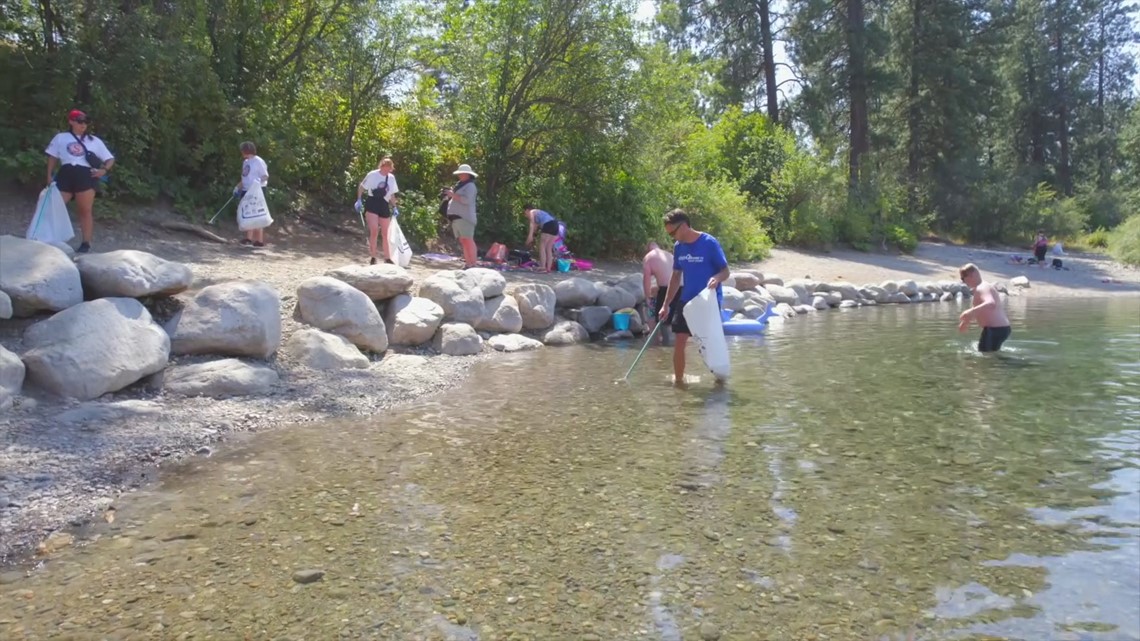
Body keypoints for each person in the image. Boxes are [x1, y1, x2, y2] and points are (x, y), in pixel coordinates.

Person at [656, 210, 730, 385]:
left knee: (710, 345)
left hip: (707, 303)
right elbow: (675, 277)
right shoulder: (678, 247)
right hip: (686, 301)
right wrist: (665, 305)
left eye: (673, 232)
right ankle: (679, 383)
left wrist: (717, 278)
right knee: (679, 340)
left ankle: (720, 381)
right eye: (669, 234)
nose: (672, 237)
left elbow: (725, 271)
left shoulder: (709, 243)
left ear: (684, 225)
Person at [44, 109, 115, 253]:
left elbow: (110, 158)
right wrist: (49, 175)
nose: (83, 125)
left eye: (86, 122)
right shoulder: (61, 137)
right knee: (53, 206)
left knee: (85, 210)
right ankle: (48, 237)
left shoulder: (94, 141)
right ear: (71, 122)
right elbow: (52, 156)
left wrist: (104, 170)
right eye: (80, 121)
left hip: (85, 174)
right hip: (66, 172)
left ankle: (86, 243)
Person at [957, 263, 1012, 352]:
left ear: (972, 275)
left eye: (963, 278)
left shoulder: (982, 287)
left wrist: (970, 312)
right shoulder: (982, 287)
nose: (963, 282)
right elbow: (980, 310)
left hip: (995, 329)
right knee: (987, 353)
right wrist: (965, 322)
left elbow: (990, 303)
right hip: (998, 329)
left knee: (986, 356)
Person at [355, 157, 399, 265]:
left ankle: (387, 258)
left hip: (384, 204)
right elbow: (362, 186)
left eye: (389, 167)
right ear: (382, 166)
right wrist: (359, 199)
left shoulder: (391, 178)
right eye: (385, 167)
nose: (387, 169)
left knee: (386, 233)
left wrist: (394, 207)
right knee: (374, 230)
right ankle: (373, 257)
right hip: (372, 203)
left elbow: (392, 194)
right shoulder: (372, 174)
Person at [233, 141, 270, 247]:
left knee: (256, 213)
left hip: (257, 190)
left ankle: (259, 240)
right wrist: (237, 187)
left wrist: (258, 180)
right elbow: (244, 178)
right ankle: (248, 238)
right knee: (248, 213)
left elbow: (265, 176)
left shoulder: (258, 161)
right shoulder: (246, 162)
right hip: (246, 190)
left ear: (246, 151)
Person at [445, 164, 478, 268]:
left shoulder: (470, 186)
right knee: (463, 240)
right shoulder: (460, 184)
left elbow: (467, 200)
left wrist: (453, 195)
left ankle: (473, 263)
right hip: (457, 217)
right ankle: (468, 263)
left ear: (468, 174)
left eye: (462, 173)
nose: (460, 175)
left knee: (468, 240)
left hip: (465, 217)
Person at [641, 240, 674, 345]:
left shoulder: (649, 257)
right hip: (679, 288)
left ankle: (660, 345)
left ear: (648, 250)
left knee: (660, 319)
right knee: (669, 322)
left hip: (666, 289)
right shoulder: (669, 255)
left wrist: (647, 298)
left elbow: (646, 280)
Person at [523, 205, 560, 272]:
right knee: (548, 248)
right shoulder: (538, 214)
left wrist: (530, 236)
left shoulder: (532, 211)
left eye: (525, 213)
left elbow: (531, 224)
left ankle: (543, 267)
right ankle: (548, 268)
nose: (525, 215)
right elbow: (535, 228)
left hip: (548, 224)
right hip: (555, 224)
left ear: (527, 210)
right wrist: (532, 236)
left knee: (542, 246)